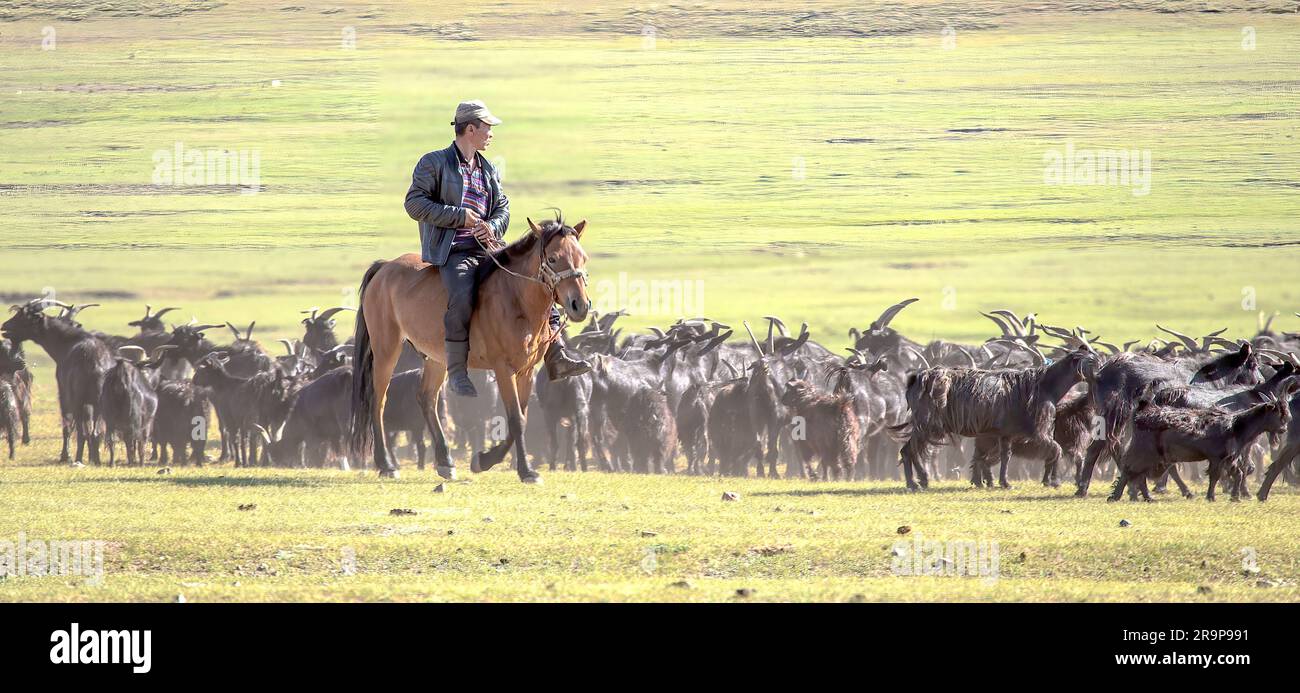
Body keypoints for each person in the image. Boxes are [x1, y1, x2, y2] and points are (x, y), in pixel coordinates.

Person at [403, 100, 591, 397]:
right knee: (462, 296)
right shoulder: (434, 163)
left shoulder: (487, 168)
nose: (491, 133)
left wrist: (491, 226)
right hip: (453, 251)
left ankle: (556, 355)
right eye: (487, 128)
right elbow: (414, 203)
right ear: (470, 129)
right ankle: (456, 371)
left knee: (541, 282)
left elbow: (502, 208)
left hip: (488, 247)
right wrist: (459, 216)